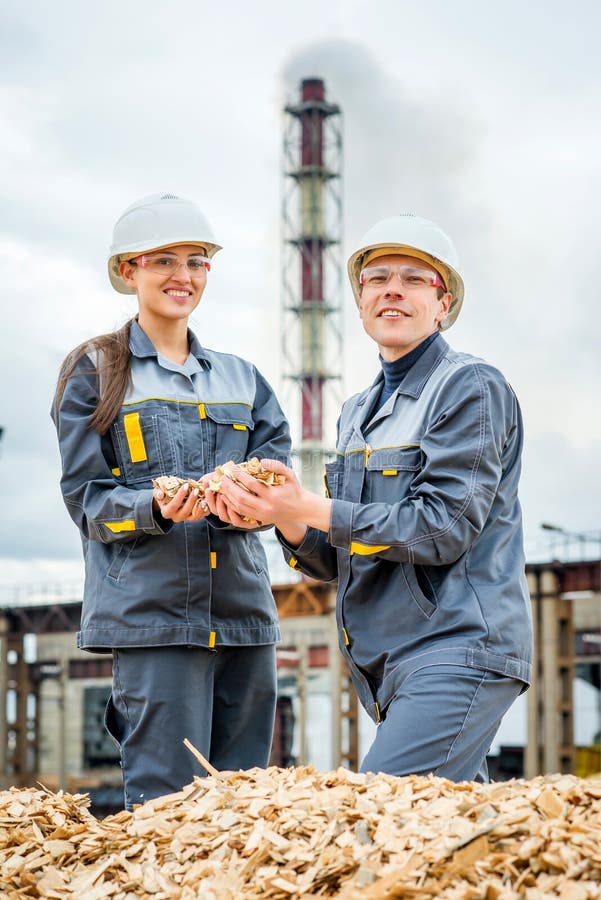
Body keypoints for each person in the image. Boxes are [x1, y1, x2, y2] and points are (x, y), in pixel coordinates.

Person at [208, 213, 533, 782]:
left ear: (444, 301)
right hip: (389, 664)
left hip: (456, 646)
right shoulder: (358, 412)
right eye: (377, 278)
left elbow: (442, 528)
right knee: (445, 842)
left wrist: (306, 505)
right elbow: (340, 554)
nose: (393, 291)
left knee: (381, 810)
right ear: (359, 301)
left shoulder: (469, 386)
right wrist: (284, 519)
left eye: (413, 279)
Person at [52, 192, 291, 808]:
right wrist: (154, 509)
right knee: (165, 806)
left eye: (196, 262)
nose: (181, 277)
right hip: (153, 623)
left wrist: (254, 500)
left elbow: (278, 482)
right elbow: (87, 501)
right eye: (163, 261)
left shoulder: (244, 379)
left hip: (243, 618)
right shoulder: (95, 372)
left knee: (241, 806)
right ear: (128, 271)